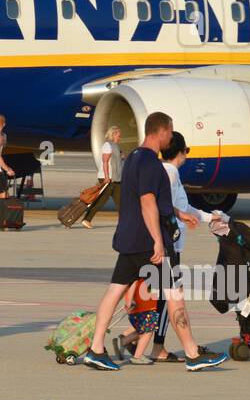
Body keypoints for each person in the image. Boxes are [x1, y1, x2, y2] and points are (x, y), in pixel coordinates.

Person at [80, 112, 227, 373]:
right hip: (150, 244)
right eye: (170, 132)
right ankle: (193, 354)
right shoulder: (150, 162)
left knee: (115, 290)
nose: (171, 137)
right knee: (174, 296)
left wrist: (180, 213)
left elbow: (150, 200)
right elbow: (147, 201)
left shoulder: (134, 158)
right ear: (161, 131)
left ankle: (97, 349)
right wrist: (158, 242)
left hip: (129, 238)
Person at [149, 131, 221, 361]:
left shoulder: (170, 172)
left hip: (171, 242)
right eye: (186, 150)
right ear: (181, 152)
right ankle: (152, 345)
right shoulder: (169, 173)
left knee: (162, 296)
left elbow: (184, 208)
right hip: (169, 244)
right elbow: (166, 207)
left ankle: (145, 342)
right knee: (168, 296)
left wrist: (211, 218)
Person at [81, 125, 123, 229]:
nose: (120, 137)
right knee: (100, 201)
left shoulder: (115, 146)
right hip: (107, 178)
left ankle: (125, 221)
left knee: (121, 201)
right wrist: (106, 177)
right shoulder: (107, 145)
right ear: (113, 135)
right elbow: (105, 162)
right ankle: (86, 219)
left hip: (116, 179)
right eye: (118, 135)